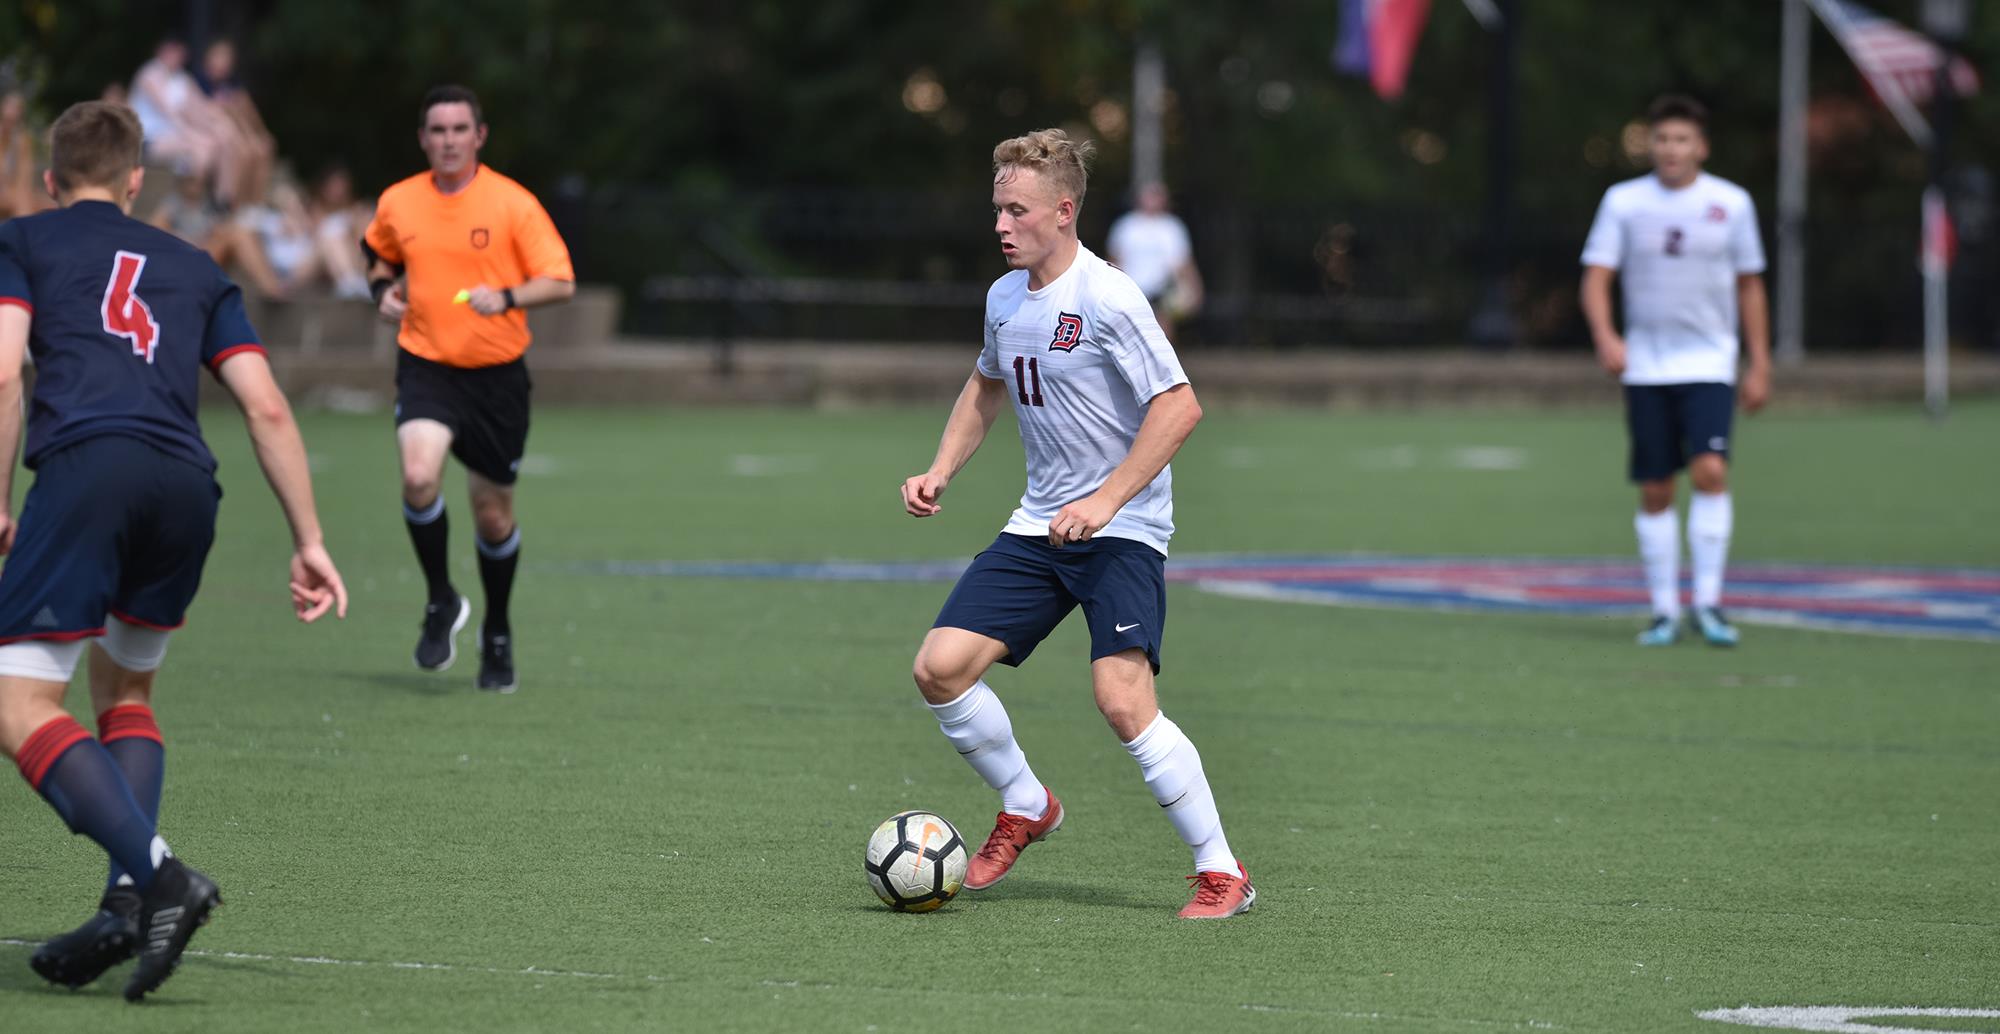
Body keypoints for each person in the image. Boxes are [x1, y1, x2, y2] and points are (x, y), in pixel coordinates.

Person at [0, 101, 347, 999]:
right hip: (187, 486)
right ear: (135, 182)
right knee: (127, 689)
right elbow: (266, 406)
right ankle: (127, 905)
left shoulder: (24, 241)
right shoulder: (194, 265)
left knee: (18, 702)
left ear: (50, 178)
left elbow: (3, 372)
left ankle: (160, 876)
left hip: (89, 472)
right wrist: (309, 540)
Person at [899, 129, 1252, 919]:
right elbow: (985, 385)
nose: (1000, 224)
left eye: (1016, 210)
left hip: (1121, 530)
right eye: (996, 208)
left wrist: (1108, 500)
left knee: (1122, 700)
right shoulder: (1003, 296)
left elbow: (1180, 406)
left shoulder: (1109, 295)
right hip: (1039, 526)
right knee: (940, 668)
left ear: (1063, 212)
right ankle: (1026, 805)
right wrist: (941, 470)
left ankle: (1222, 870)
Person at [362, 85, 574, 693]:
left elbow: (559, 282)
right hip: (427, 364)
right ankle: (440, 601)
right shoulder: (400, 201)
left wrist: (506, 297)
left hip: (498, 377)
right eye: (437, 130)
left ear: (479, 137)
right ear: (423, 138)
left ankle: (498, 630)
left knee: (492, 515)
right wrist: (382, 292)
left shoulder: (513, 204)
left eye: (460, 130)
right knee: (419, 476)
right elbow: (375, 254)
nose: (448, 141)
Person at [1580, 94, 1770, 647]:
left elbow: (1750, 283)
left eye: (1682, 139)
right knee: (1657, 486)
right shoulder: (1623, 202)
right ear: (1651, 145)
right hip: (1647, 366)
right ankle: (1664, 609)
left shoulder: (1731, 204)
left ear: (1701, 147)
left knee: (1711, 471)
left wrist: (1759, 362)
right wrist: (1605, 335)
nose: (1671, 148)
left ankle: (1708, 601)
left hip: (1710, 361)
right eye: (1663, 138)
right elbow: (1596, 275)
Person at [1106, 181, 1202, 340]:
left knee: (1162, 330)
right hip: (1132, 286)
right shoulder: (1126, 226)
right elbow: (1114, 259)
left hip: (1161, 288)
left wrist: (1194, 287)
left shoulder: (1172, 227)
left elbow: (1182, 262)